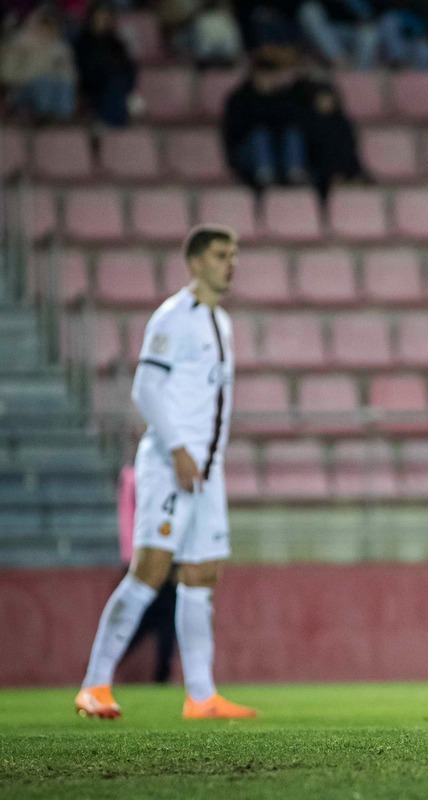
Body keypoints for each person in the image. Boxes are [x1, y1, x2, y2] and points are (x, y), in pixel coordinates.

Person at [75, 225, 255, 721]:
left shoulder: (220, 320)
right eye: (221, 254)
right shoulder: (174, 317)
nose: (231, 263)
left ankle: (201, 696)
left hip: (206, 468)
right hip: (171, 464)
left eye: (234, 254)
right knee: (151, 571)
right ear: (195, 262)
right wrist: (178, 449)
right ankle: (94, 685)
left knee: (202, 574)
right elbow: (145, 390)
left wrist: (201, 458)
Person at [221, 54, 308, 189]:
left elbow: (295, 123)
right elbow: (236, 132)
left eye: (270, 75)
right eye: (263, 74)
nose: (266, 79)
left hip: (278, 151)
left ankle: (295, 173)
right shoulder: (239, 98)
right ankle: (265, 175)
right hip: (248, 152)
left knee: (292, 134)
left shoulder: (285, 98)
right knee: (260, 135)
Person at [0, 5, 77, 123]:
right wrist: (34, 75)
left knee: (64, 84)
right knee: (43, 82)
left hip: (52, 91)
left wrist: (56, 73)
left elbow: (70, 76)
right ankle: (43, 117)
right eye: (44, 23)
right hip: (21, 91)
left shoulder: (60, 48)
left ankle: (62, 119)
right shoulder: (20, 44)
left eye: (51, 24)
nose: (47, 28)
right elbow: (6, 75)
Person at [73, 2, 139, 128]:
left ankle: (111, 130)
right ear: (92, 18)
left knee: (118, 88)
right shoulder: (82, 42)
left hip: (117, 87)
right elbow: (83, 69)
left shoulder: (116, 43)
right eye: (100, 17)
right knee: (114, 89)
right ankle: (111, 131)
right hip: (92, 88)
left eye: (106, 17)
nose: (103, 21)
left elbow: (129, 68)